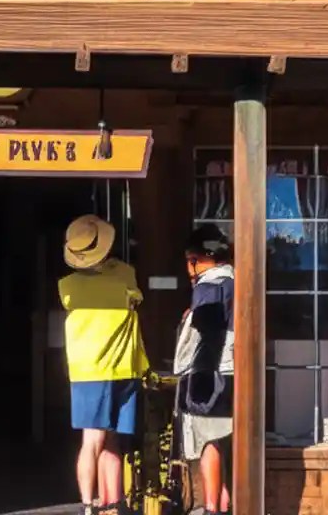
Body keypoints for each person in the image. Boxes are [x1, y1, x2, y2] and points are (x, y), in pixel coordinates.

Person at [57, 214, 150, 515]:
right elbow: (136, 299)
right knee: (109, 440)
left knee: (94, 438)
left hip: (88, 370)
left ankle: (95, 504)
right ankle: (106, 503)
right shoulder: (125, 275)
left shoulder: (67, 287)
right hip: (123, 366)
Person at [173, 225, 235, 515]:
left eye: (190, 260)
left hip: (210, 373)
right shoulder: (236, 282)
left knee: (208, 442)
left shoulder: (208, 287)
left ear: (197, 259)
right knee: (224, 441)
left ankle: (211, 507)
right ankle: (224, 503)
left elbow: (204, 336)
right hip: (233, 371)